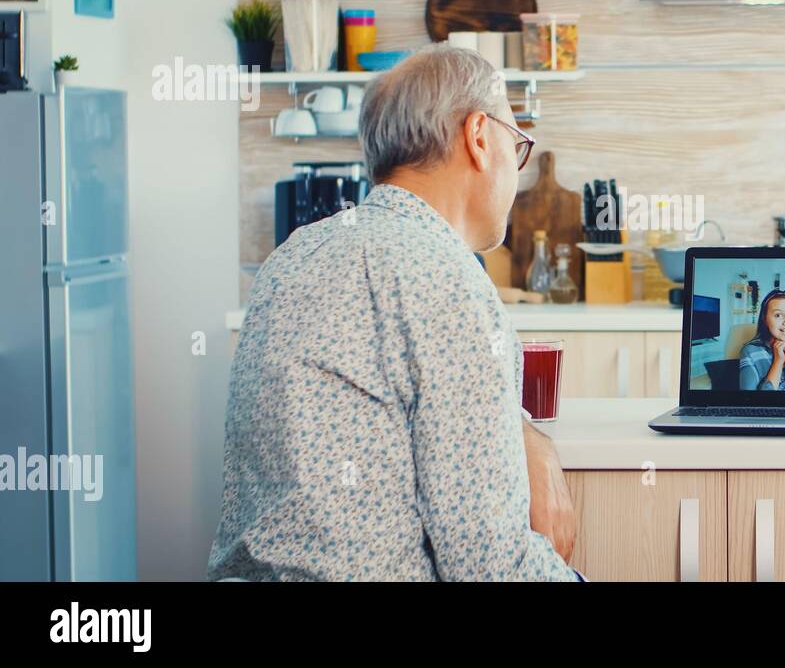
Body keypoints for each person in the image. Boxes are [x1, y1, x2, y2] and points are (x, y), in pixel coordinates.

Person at [209, 44, 581, 581]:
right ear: (478, 137)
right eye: (515, 144)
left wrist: (523, 434)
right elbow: (488, 565)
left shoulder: (292, 257)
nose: (515, 174)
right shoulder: (448, 278)